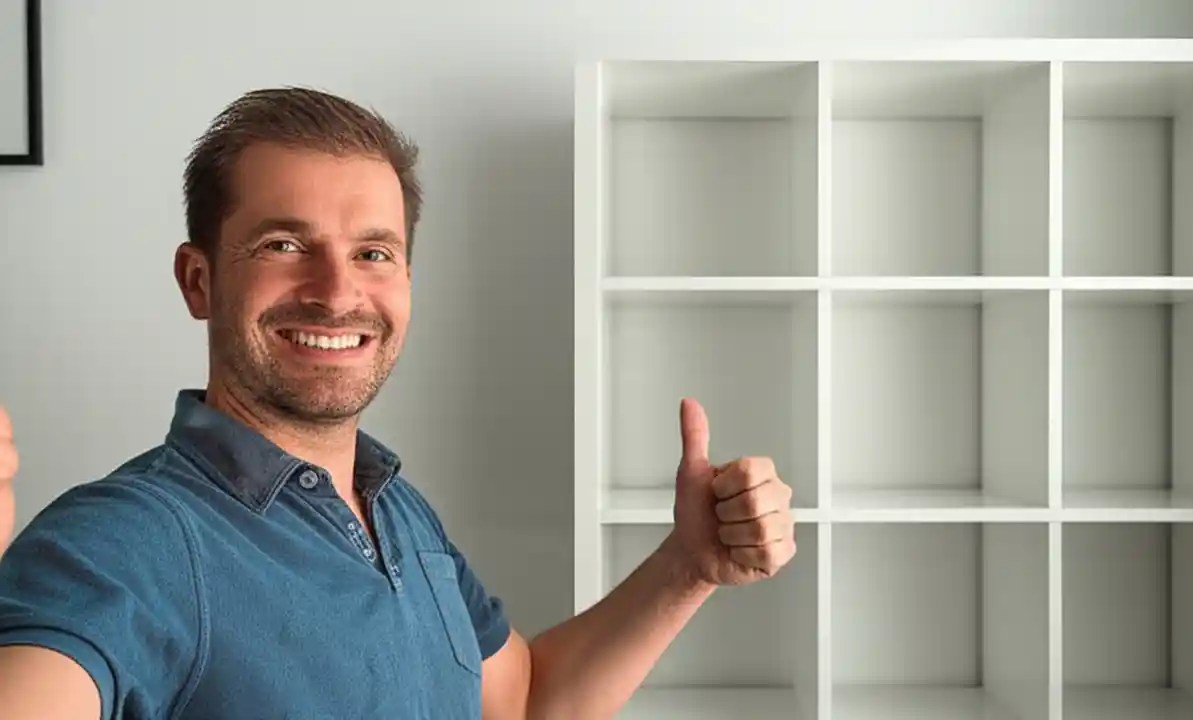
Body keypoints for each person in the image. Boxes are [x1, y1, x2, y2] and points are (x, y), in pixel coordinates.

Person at [0, 88, 797, 719]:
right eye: (284, 245)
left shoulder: (396, 512)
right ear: (199, 280)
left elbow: (523, 701)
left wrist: (688, 567)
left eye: (373, 253)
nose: (337, 291)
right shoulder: (120, 544)